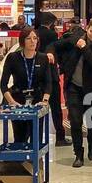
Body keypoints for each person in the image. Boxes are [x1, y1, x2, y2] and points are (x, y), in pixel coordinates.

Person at [56, 16, 92, 168]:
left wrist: (84, 47)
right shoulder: (75, 39)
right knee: (75, 121)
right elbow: (59, 45)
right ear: (87, 28)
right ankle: (78, 153)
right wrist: (54, 56)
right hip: (74, 87)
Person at [0, 27, 52, 144]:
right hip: (18, 100)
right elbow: (3, 84)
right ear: (22, 41)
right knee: (20, 139)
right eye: (29, 38)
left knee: (36, 139)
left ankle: (36, 162)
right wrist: (11, 101)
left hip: (37, 101)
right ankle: (19, 161)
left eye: (35, 38)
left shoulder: (43, 58)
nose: (32, 41)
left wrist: (45, 100)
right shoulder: (13, 58)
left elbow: (48, 82)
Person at [33, 11, 65, 143]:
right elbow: (56, 50)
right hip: (51, 74)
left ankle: (37, 138)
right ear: (51, 23)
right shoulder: (52, 35)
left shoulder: (34, 33)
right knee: (56, 107)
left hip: (37, 75)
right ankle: (60, 137)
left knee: (38, 107)